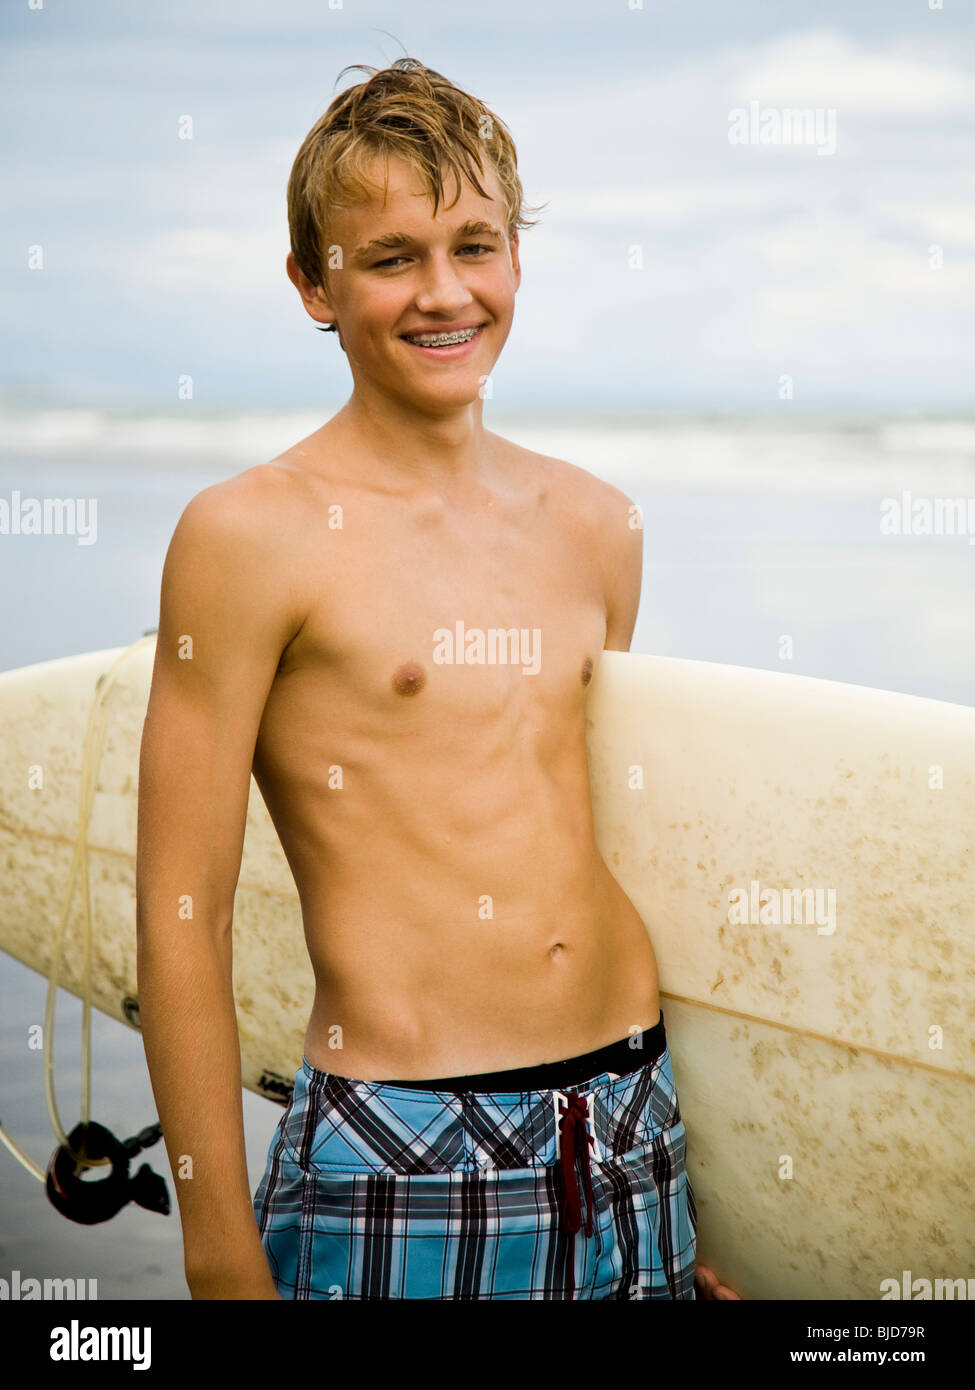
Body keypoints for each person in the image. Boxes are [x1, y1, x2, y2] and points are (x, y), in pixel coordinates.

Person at [136, 57, 738, 1301]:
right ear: (315, 281)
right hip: (409, 1143)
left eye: (477, 243)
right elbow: (180, 916)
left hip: (635, 1120)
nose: (446, 292)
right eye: (394, 255)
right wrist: (218, 1260)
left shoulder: (595, 522)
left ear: (517, 256)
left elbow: (598, 832)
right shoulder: (249, 536)